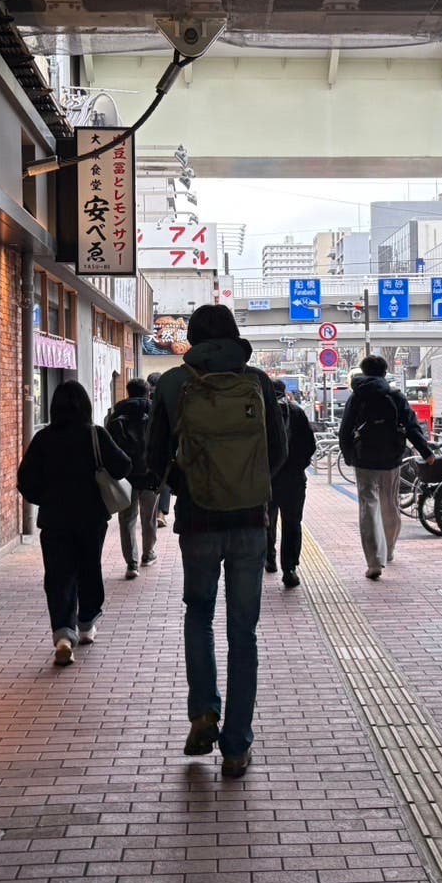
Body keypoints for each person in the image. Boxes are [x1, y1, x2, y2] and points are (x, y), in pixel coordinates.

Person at [147, 305, 285, 777]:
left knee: (199, 614)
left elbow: (154, 458)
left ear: (194, 339)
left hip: (199, 519)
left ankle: (204, 710)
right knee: (243, 633)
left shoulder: (171, 384)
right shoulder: (259, 382)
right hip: (250, 522)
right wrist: (249, 484)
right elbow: (280, 451)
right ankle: (236, 746)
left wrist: (186, 482)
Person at [18, 381, 132, 666]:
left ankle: (63, 635)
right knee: (88, 567)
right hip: (90, 517)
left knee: (58, 576)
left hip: (54, 518)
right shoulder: (95, 434)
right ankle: (86, 624)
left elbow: (26, 481)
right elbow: (123, 466)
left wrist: (44, 497)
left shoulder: (44, 439)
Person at [338, 356, 434, 579]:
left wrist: (348, 455)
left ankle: (374, 562)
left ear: (363, 371)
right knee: (389, 503)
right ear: (385, 371)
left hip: (363, 459)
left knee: (367, 505)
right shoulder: (395, 396)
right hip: (391, 457)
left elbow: (345, 430)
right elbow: (411, 427)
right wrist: (427, 453)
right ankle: (389, 550)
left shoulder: (357, 396)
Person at [268, 378, 317, 589]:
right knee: (292, 523)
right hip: (293, 479)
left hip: (266, 478)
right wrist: (298, 466)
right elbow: (310, 445)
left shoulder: (260, 412)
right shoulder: (296, 412)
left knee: (265, 519)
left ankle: (268, 558)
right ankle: (289, 568)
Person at [107, 378, 156, 577]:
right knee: (149, 517)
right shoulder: (155, 412)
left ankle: (132, 563)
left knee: (127, 520)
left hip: (125, 476)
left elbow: (110, 446)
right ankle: (148, 553)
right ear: (147, 393)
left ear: (128, 392)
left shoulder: (116, 413)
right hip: (150, 473)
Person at [147, 372, 172, 529]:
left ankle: (152, 514)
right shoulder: (166, 398)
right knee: (165, 480)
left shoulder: (148, 399)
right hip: (165, 446)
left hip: (148, 448)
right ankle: (161, 514)